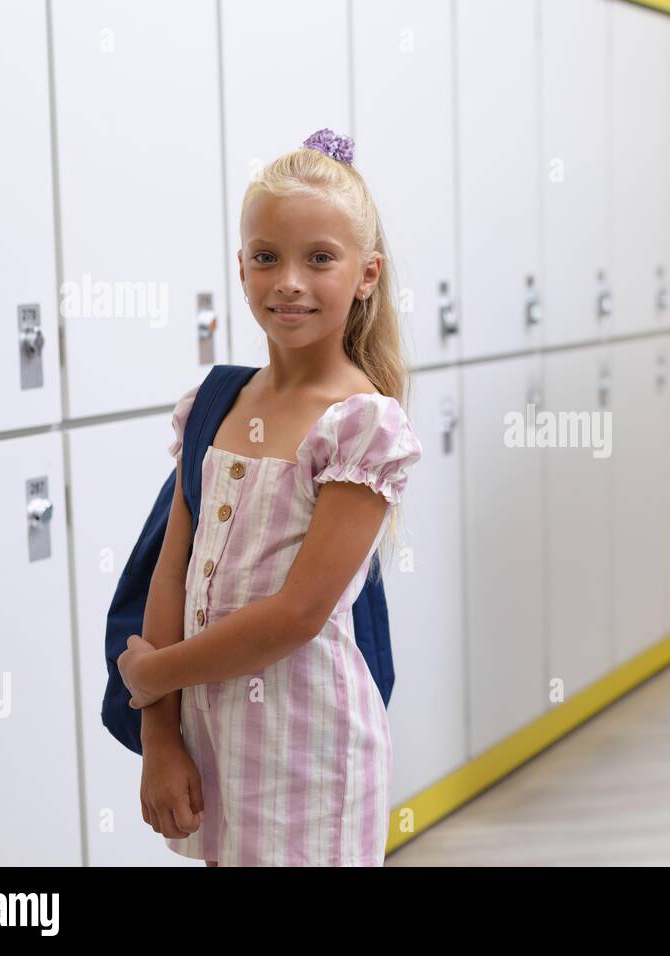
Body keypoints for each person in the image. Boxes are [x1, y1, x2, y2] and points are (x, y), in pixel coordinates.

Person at [117, 129, 422, 866]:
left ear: (366, 275)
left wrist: (155, 674)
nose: (289, 280)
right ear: (242, 267)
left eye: (320, 258)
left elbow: (296, 615)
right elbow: (172, 572)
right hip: (208, 735)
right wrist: (159, 733)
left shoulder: (362, 424)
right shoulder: (213, 406)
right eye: (266, 257)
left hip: (310, 750)